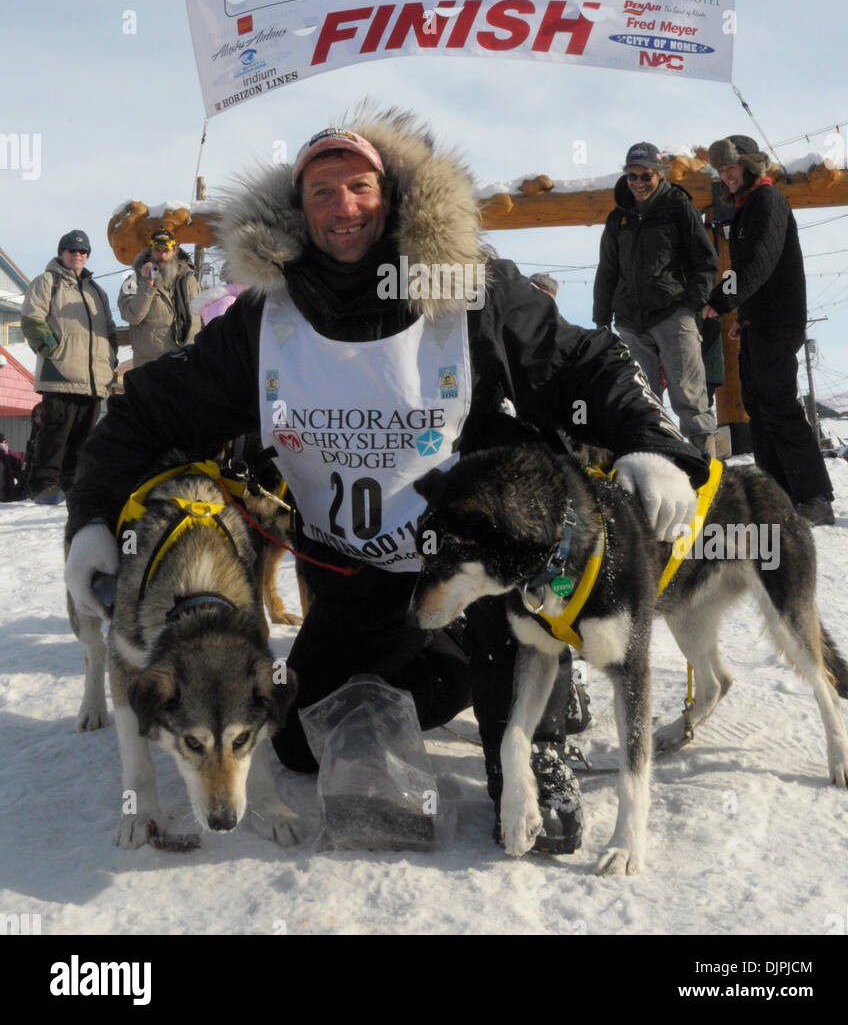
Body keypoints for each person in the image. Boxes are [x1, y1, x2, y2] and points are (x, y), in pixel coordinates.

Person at [65, 110, 708, 853]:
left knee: (535, 815)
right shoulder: (263, 319)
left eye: (359, 187)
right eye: (321, 192)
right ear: (296, 211)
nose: (343, 206)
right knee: (299, 737)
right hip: (353, 574)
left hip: (473, 565)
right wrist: (91, 518)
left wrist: (651, 443)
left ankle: (538, 729)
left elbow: (583, 361)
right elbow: (146, 411)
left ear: (392, 194)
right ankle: (435, 670)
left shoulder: (465, 287)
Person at [703, 134, 835, 525]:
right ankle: (778, 497)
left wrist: (720, 300)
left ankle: (814, 497)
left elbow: (758, 263)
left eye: (730, 168)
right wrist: (744, 318)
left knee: (778, 404)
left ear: (749, 164)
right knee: (757, 406)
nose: (725, 176)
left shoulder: (767, 201)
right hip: (761, 321)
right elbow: (760, 274)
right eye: (720, 171)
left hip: (779, 322)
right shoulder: (747, 208)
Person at [593, 141, 718, 455]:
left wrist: (690, 305)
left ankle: (708, 466)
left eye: (645, 176)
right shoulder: (617, 217)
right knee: (642, 400)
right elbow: (607, 269)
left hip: (673, 315)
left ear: (659, 174)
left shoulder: (677, 207)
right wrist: (601, 318)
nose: (638, 183)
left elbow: (706, 261)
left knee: (689, 398)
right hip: (631, 323)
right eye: (632, 176)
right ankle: (657, 463)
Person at [21, 230, 117, 505]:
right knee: (55, 433)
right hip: (60, 373)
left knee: (83, 438)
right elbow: (31, 319)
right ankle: (44, 485)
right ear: (62, 253)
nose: (77, 255)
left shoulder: (96, 290)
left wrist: (109, 360)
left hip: (92, 378)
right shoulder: (47, 282)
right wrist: (52, 349)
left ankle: (73, 485)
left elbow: (109, 329)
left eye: (83, 252)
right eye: (72, 251)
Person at [118, 229, 201, 368]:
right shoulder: (131, 280)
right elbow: (131, 315)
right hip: (153, 367)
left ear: (175, 251)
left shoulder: (189, 278)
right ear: (151, 251)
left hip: (189, 362)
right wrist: (147, 285)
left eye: (166, 250)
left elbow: (202, 315)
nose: (161, 255)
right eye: (157, 250)